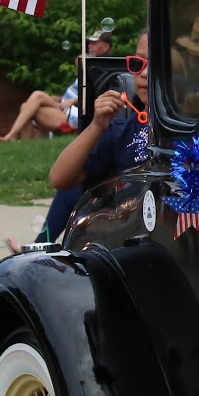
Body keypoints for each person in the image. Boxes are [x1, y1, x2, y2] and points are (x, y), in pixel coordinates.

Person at [25, 33, 148, 248]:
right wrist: (96, 125)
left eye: (157, 64)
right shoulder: (120, 130)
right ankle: (40, 244)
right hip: (127, 244)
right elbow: (59, 179)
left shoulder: (195, 130)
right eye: (138, 63)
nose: (144, 73)